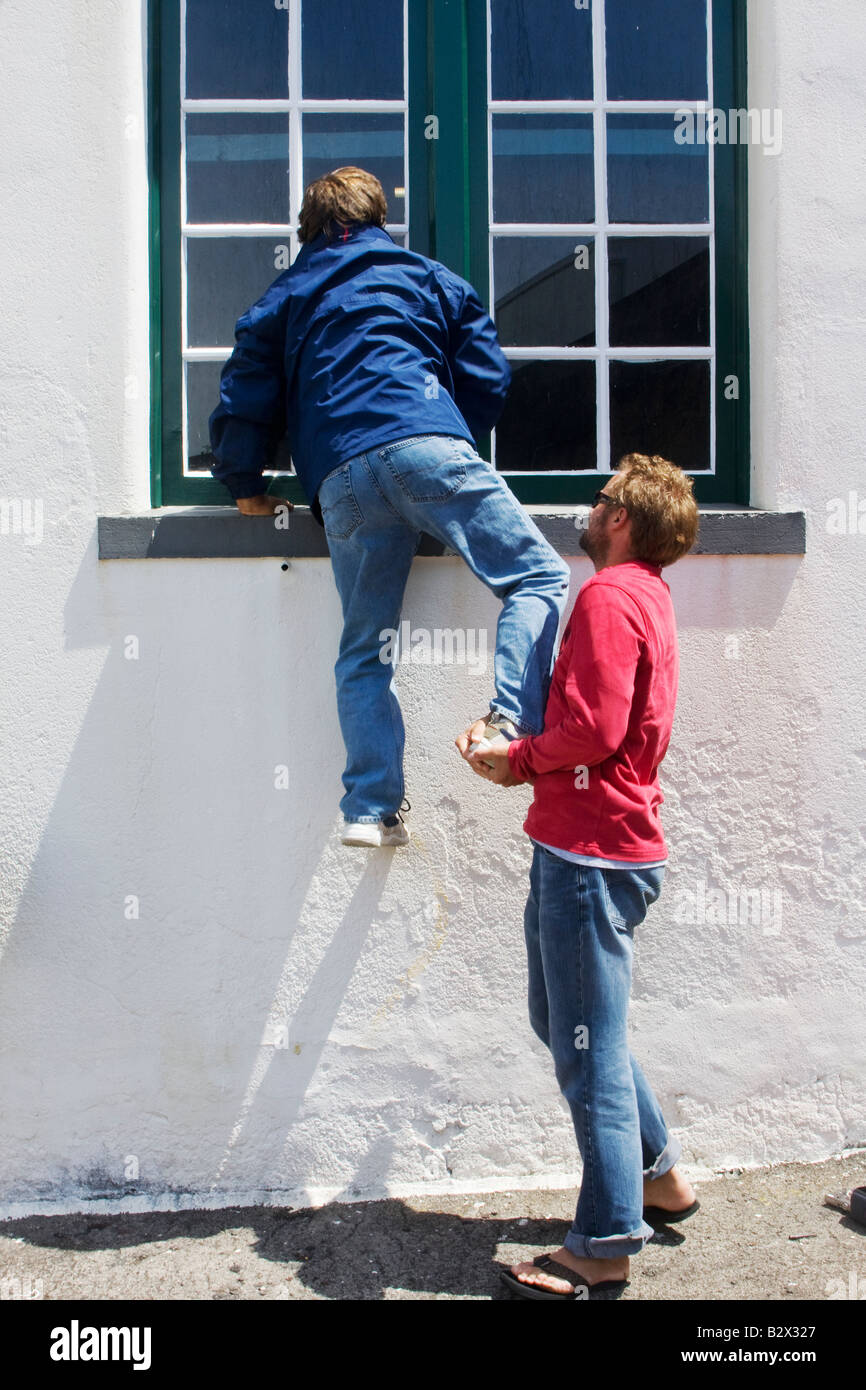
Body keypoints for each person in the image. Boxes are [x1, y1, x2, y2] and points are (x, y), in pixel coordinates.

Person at [209, 167, 570, 848]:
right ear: (380, 218)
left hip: (339, 476)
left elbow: (245, 390)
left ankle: (371, 810)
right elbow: (488, 373)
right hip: (425, 446)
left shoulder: (287, 293)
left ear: (309, 229)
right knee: (538, 576)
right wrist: (448, 435)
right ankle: (508, 721)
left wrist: (244, 483)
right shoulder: (427, 277)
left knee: (364, 649)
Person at [457, 454, 700, 1300]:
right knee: (568, 1024)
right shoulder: (647, 594)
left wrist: (517, 759)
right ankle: (659, 1176)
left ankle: (603, 1245)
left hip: (591, 855)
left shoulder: (606, 596)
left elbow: (596, 727)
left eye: (599, 503)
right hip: (592, 847)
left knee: (588, 1053)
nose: (588, 514)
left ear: (621, 519)